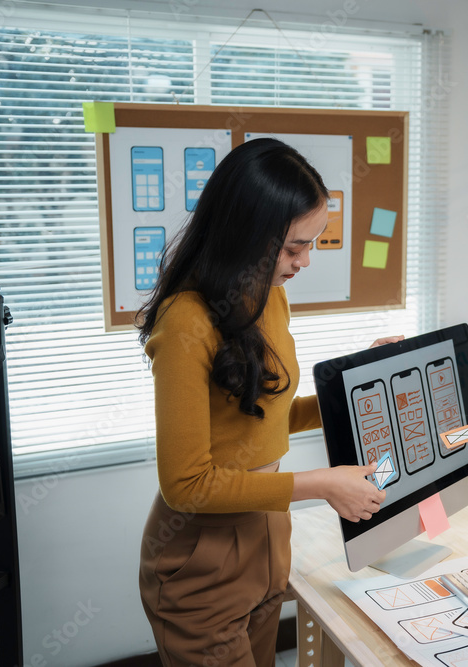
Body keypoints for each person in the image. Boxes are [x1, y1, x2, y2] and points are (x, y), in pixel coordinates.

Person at [136, 138, 389, 666]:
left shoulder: (268, 293)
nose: (305, 261)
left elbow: (268, 413)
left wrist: (357, 380)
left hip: (268, 536)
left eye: (313, 243)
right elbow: (187, 485)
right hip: (202, 555)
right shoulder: (185, 321)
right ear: (244, 231)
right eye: (293, 246)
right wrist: (321, 484)